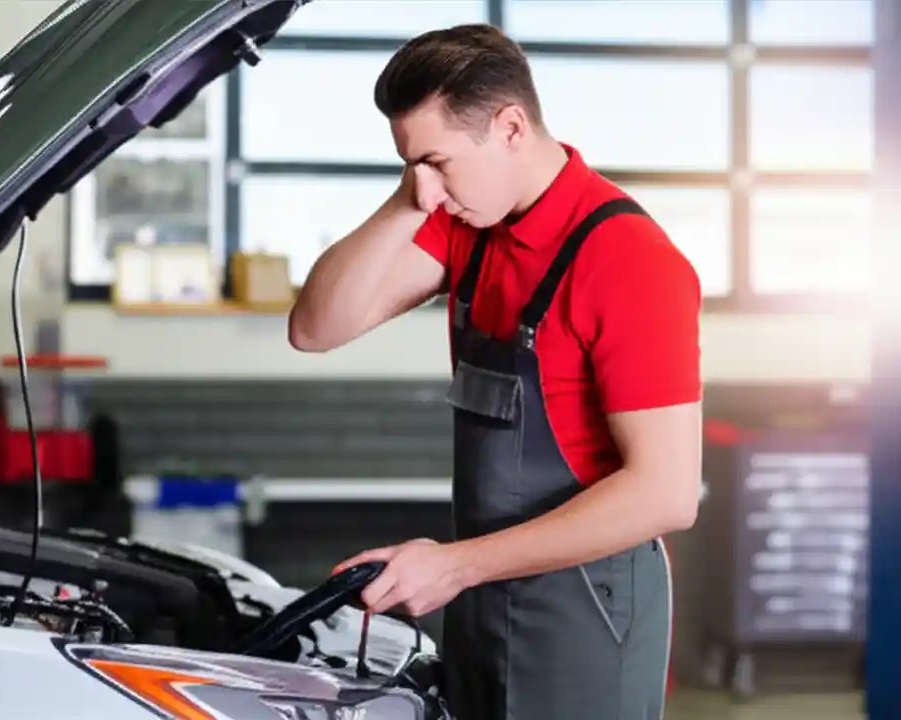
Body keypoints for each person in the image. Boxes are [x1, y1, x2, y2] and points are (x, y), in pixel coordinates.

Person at [287, 23, 703, 720]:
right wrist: (405, 199)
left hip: (586, 618)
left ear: (510, 126)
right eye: (411, 163)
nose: (429, 184)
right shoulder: (467, 227)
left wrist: (455, 565)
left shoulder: (629, 261)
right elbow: (317, 327)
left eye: (439, 160)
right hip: (482, 595)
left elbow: (665, 494)